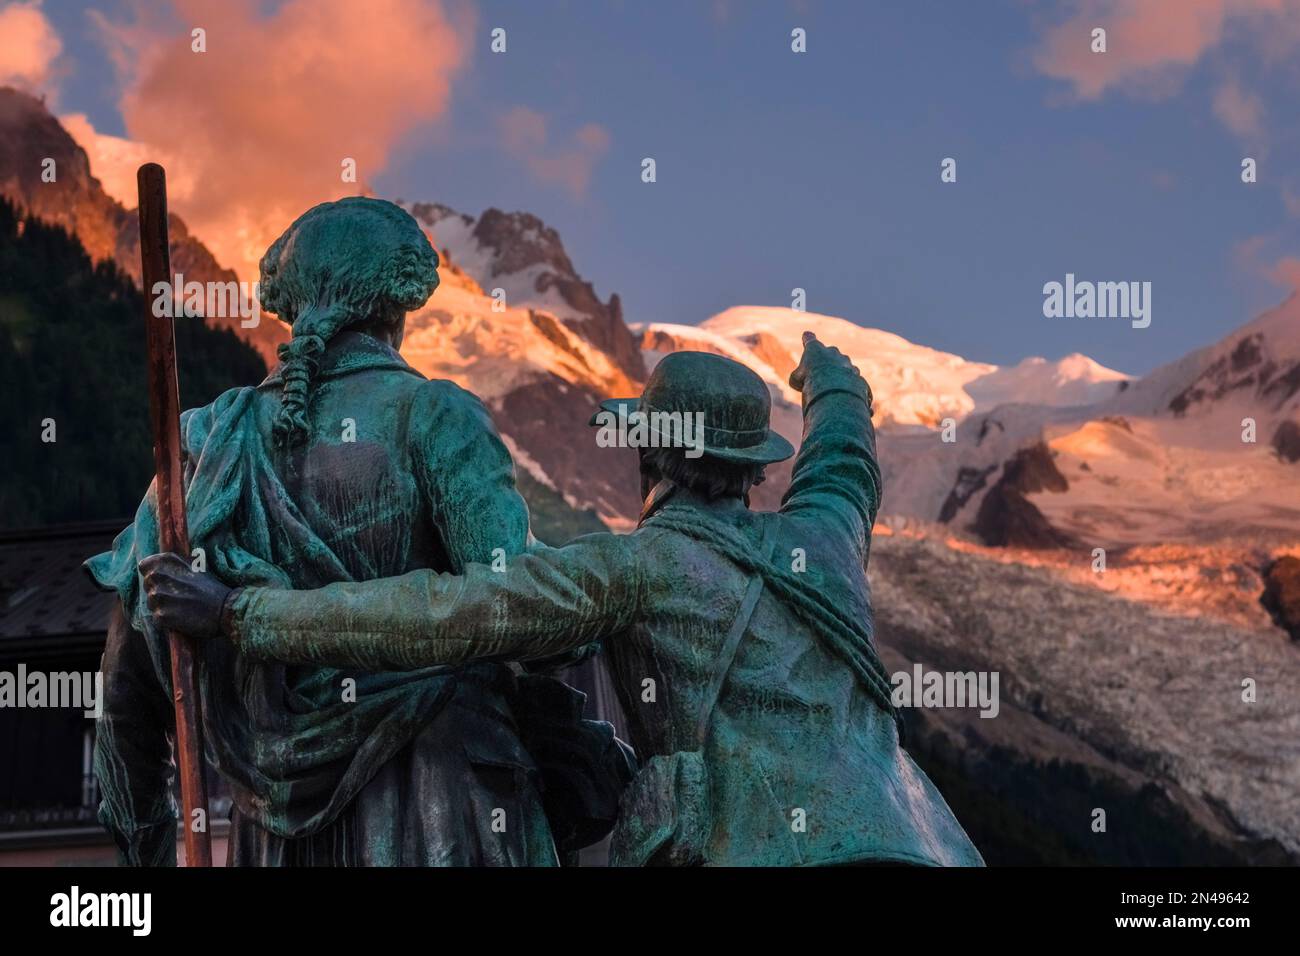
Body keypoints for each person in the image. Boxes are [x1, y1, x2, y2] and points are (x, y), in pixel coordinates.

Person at [141, 333, 985, 866]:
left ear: (647, 456)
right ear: (754, 467)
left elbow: (439, 613)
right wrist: (833, 381)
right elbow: (845, 460)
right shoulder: (827, 543)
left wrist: (238, 613)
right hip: (918, 845)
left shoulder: (629, 572)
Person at [89, 197, 615, 866]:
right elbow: (518, 608)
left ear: (292, 305)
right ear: (399, 308)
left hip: (276, 831)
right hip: (447, 810)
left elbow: (125, 690)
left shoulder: (202, 445)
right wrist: (600, 602)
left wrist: (148, 857)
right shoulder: (435, 416)